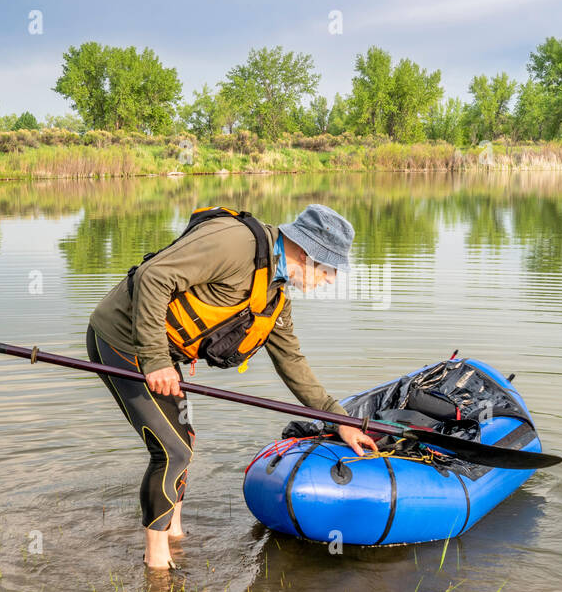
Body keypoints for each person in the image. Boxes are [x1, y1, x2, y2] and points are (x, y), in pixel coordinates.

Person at [86, 204, 378, 569]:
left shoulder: (275, 294)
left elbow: (292, 363)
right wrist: (158, 361)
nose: (331, 279)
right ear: (307, 253)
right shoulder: (235, 244)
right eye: (330, 268)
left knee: (183, 442)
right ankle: (156, 563)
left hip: (157, 352)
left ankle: (175, 534)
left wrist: (340, 420)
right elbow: (152, 277)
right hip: (122, 341)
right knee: (173, 451)